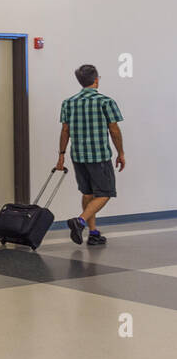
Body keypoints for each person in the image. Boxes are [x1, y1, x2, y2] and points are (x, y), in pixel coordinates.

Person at [57, 64, 124, 246]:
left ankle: (93, 233)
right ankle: (80, 221)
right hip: (99, 156)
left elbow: (65, 130)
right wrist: (121, 153)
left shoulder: (68, 102)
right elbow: (114, 130)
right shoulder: (106, 102)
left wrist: (61, 155)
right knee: (105, 192)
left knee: (88, 193)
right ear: (96, 80)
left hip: (78, 156)